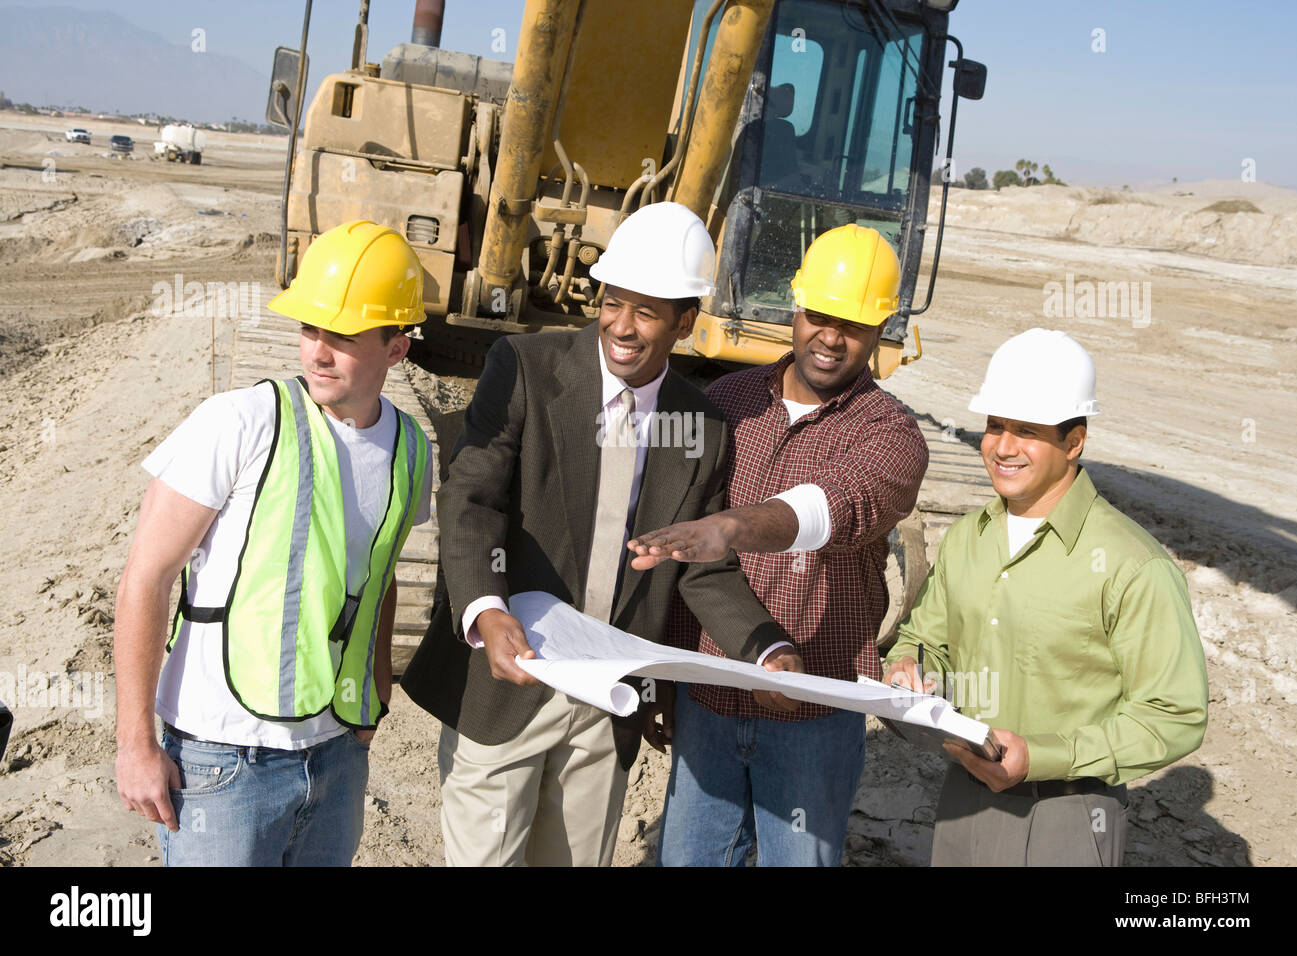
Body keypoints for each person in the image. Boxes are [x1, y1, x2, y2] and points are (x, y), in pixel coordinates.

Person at [399, 201, 794, 867]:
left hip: (609, 704)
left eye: (647, 311)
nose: (623, 325)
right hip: (511, 681)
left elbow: (699, 568)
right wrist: (486, 610)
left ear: (686, 321)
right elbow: (470, 498)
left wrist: (765, 648)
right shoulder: (525, 366)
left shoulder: (701, 424)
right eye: (614, 301)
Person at [113, 220, 434, 866]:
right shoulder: (240, 422)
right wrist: (134, 744)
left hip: (336, 756)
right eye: (309, 329)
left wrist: (373, 692)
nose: (316, 351)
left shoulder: (410, 448)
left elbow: (381, 570)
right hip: (223, 762)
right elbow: (145, 577)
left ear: (396, 349)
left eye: (341, 337)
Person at [627, 224, 929, 866]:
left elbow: (836, 509)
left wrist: (732, 526)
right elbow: (680, 562)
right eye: (819, 315)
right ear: (795, 308)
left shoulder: (892, 436)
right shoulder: (725, 402)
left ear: (881, 331)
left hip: (812, 716)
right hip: (707, 705)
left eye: (852, 324)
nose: (830, 336)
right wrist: (663, 679)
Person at [882, 328, 1208, 866]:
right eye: (994, 426)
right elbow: (925, 638)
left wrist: (1045, 756)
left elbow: (1174, 714)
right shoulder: (967, 539)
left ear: (1074, 441)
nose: (1002, 448)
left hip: (1069, 814)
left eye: (1026, 431)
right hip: (963, 797)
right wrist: (908, 667)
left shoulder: (1133, 565)